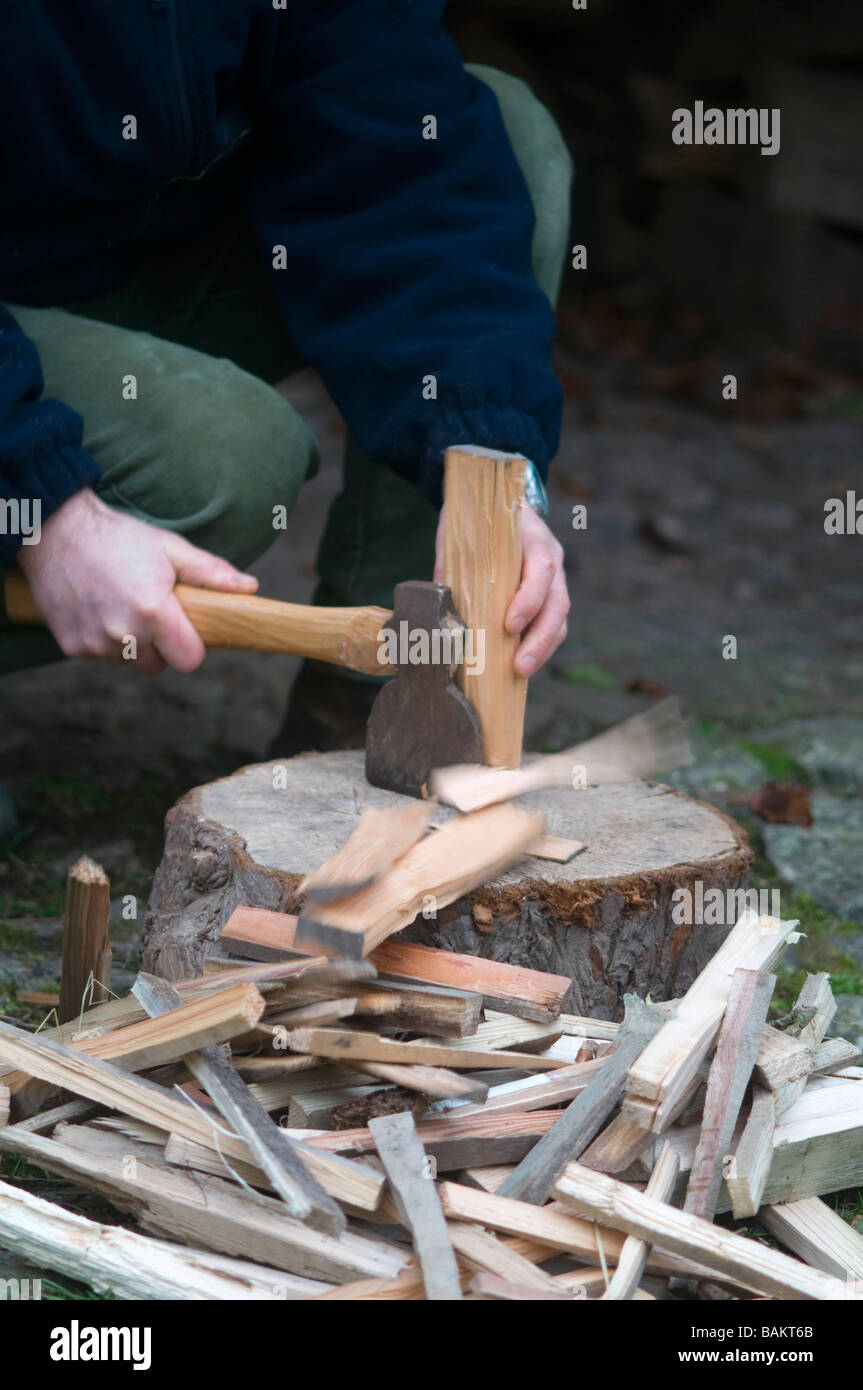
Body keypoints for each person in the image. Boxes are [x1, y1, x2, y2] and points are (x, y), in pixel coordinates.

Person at [0, 0, 572, 757]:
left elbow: (399, 160)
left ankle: (376, 721)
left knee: (508, 135)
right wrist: (42, 507)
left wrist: (493, 463)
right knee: (222, 461)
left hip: (135, 251)